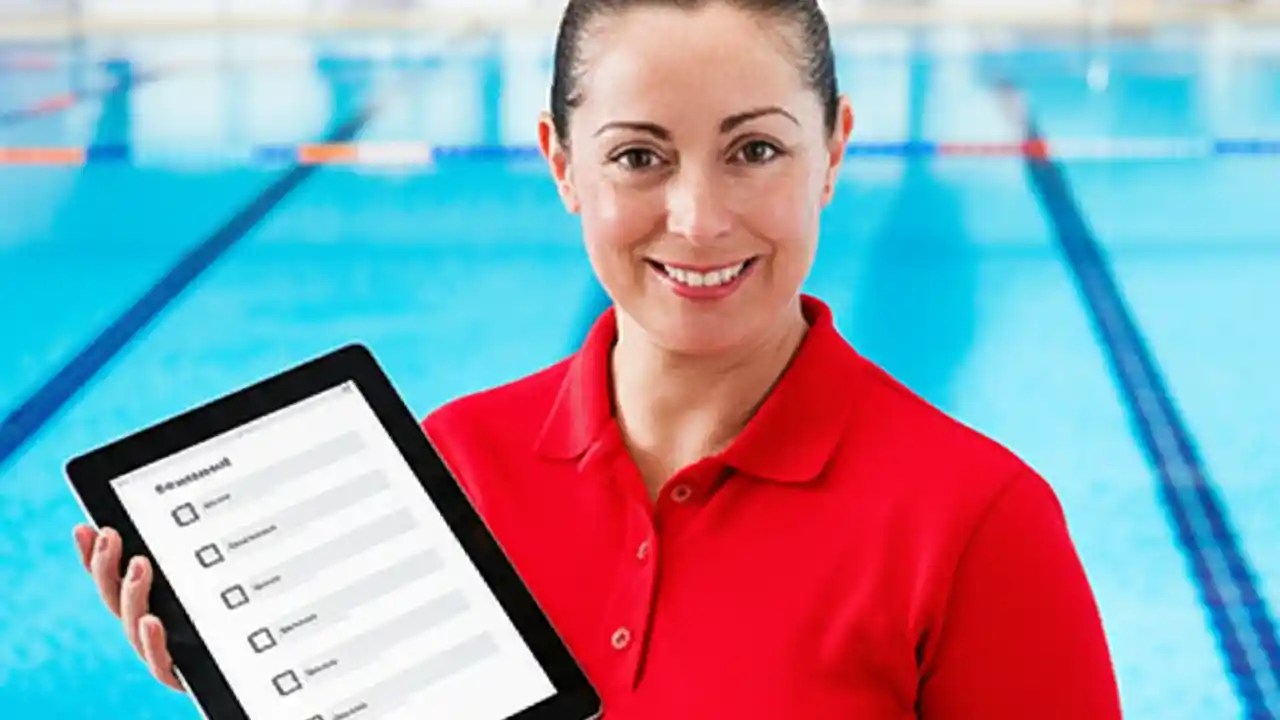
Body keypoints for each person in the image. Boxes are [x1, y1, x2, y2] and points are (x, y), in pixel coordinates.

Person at [72, 0, 1123, 717]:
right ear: (562, 163)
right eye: (638, 156)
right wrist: (275, 684)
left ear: (833, 151)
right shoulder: (453, 465)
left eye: (754, 150)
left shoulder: (976, 521)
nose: (697, 218)